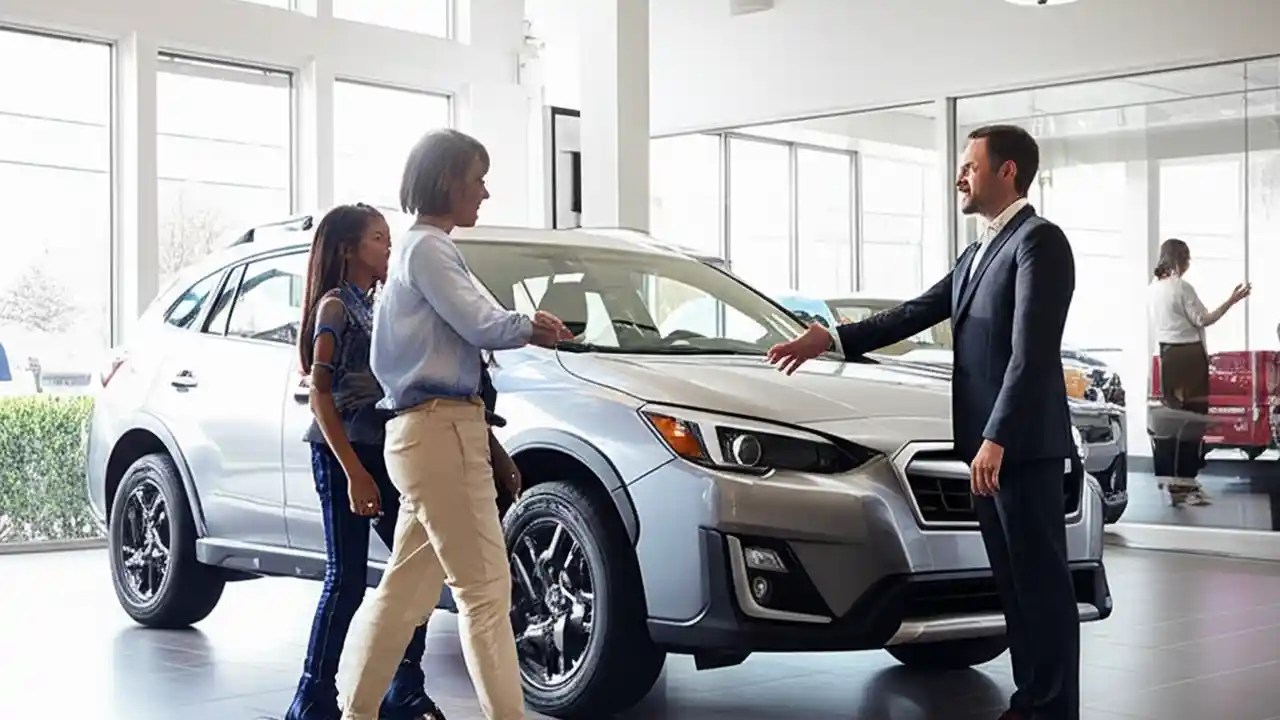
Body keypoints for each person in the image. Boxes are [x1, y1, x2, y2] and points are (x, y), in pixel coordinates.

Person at [767, 124, 1081, 720]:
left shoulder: (1040, 242)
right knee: (1014, 585)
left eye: (970, 164)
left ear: (1007, 170)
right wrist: (828, 338)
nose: (960, 175)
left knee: (1042, 584)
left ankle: (1055, 707)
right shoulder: (978, 252)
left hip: (1019, 448)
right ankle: (1032, 701)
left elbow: (1031, 352)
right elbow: (912, 313)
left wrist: (997, 437)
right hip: (987, 448)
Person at [338, 128, 570, 720]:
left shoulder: (414, 253)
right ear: (447, 181)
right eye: (478, 179)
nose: (485, 192)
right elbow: (481, 322)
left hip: (424, 435)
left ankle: (354, 711)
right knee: (486, 592)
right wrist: (528, 325)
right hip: (442, 433)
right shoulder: (431, 249)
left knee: (404, 594)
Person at [287, 203, 445, 720]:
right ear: (349, 249)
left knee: (412, 570)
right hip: (343, 454)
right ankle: (312, 697)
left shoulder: (378, 308)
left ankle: (403, 687)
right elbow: (321, 396)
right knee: (347, 577)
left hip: (383, 451)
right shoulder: (334, 308)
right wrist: (354, 472)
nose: (388, 247)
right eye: (379, 238)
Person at [1146, 238, 1250, 505]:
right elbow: (1204, 319)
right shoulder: (1182, 287)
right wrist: (1232, 300)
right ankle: (1187, 484)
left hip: (1167, 356)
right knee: (1193, 422)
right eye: (1187, 258)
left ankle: (1172, 483)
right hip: (1189, 358)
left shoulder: (1152, 289)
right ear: (1180, 259)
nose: (1189, 263)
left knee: (1173, 422)